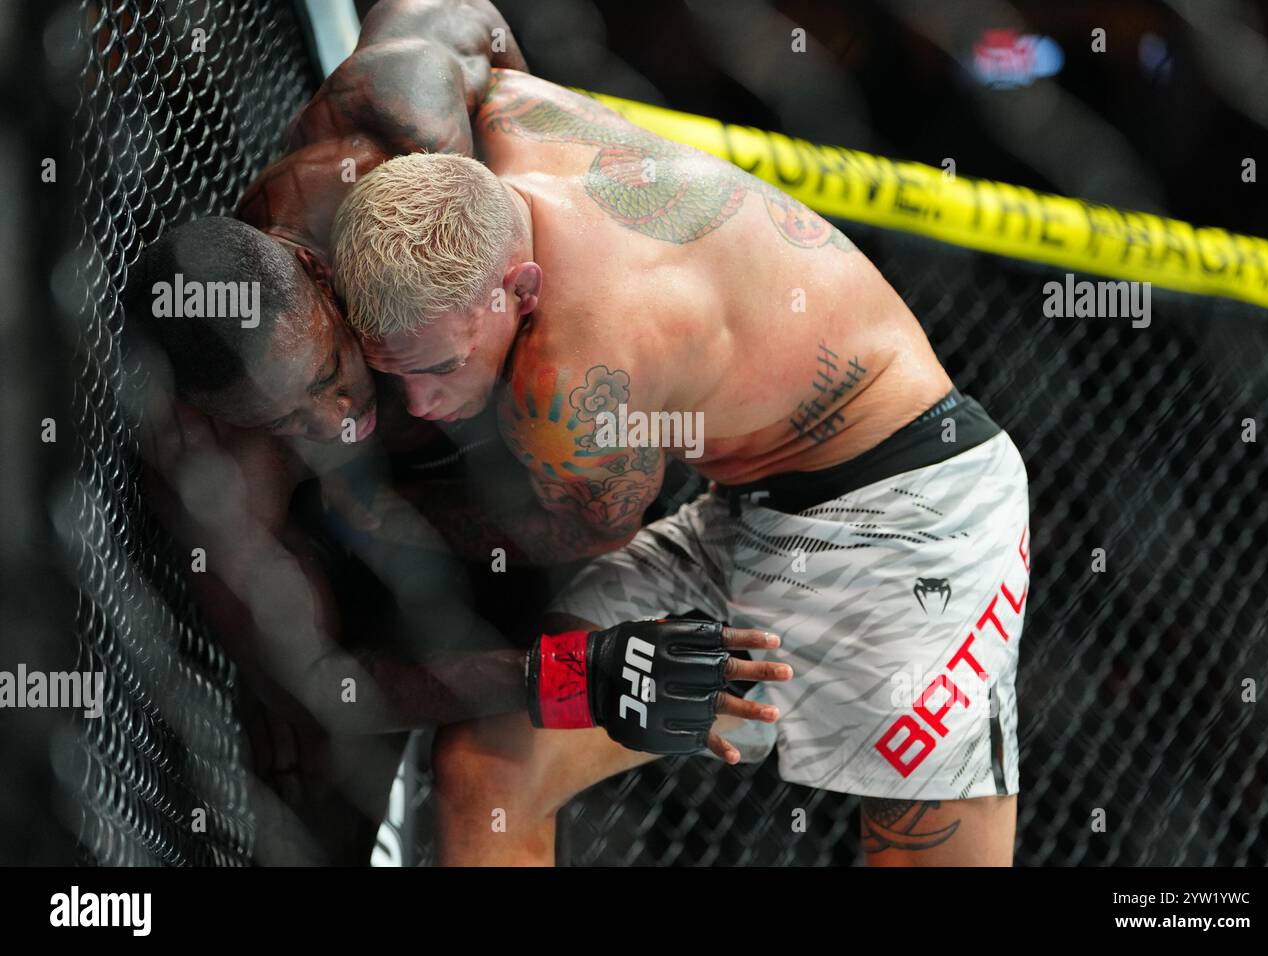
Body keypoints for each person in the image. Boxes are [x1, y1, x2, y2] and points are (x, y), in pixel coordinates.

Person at [127, 0, 788, 864]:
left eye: (329, 374)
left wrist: (515, 198)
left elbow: (458, 17)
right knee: (301, 763)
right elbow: (322, 684)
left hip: (549, 468)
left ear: (323, 273)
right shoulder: (219, 468)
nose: (333, 418)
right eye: (287, 419)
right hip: (386, 553)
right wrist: (570, 676)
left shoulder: (391, 152)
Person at [329, 67, 1032, 865]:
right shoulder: (511, 114)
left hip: (912, 510)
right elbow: (450, 28)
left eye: (442, 366)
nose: (420, 402)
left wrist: (375, 512)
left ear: (519, 289)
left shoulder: (574, 380)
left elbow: (588, 528)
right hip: (747, 506)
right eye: (396, 375)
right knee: (488, 766)